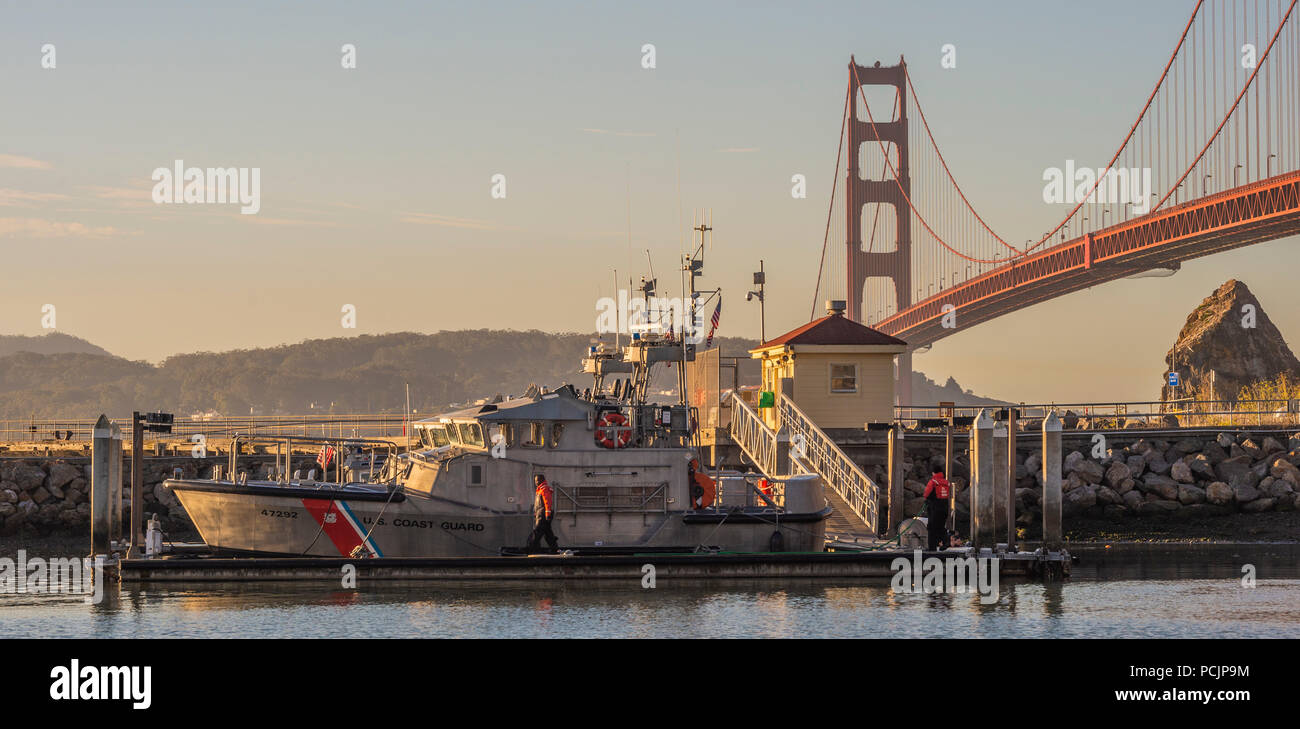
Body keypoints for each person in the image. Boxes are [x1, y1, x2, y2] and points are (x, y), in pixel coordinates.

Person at [526, 474, 558, 553]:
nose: (536, 482)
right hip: (540, 513)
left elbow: (547, 502)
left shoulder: (544, 489)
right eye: (535, 481)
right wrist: (536, 513)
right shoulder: (539, 490)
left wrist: (547, 514)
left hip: (543, 514)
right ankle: (554, 548)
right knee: (547, 532)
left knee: (537, 531)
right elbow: (538, 505)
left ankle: (532, 548)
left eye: (537, 480)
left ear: (541, 480)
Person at [922, 465, 951, 551]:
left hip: (935, 508)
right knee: (940, 527)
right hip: (945, 508)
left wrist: (927, 501)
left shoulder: (933, 482)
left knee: (931, 527)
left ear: (933, 473)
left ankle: (932, 548)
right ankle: (946, 541)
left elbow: (926, 494)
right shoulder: (946, 482)